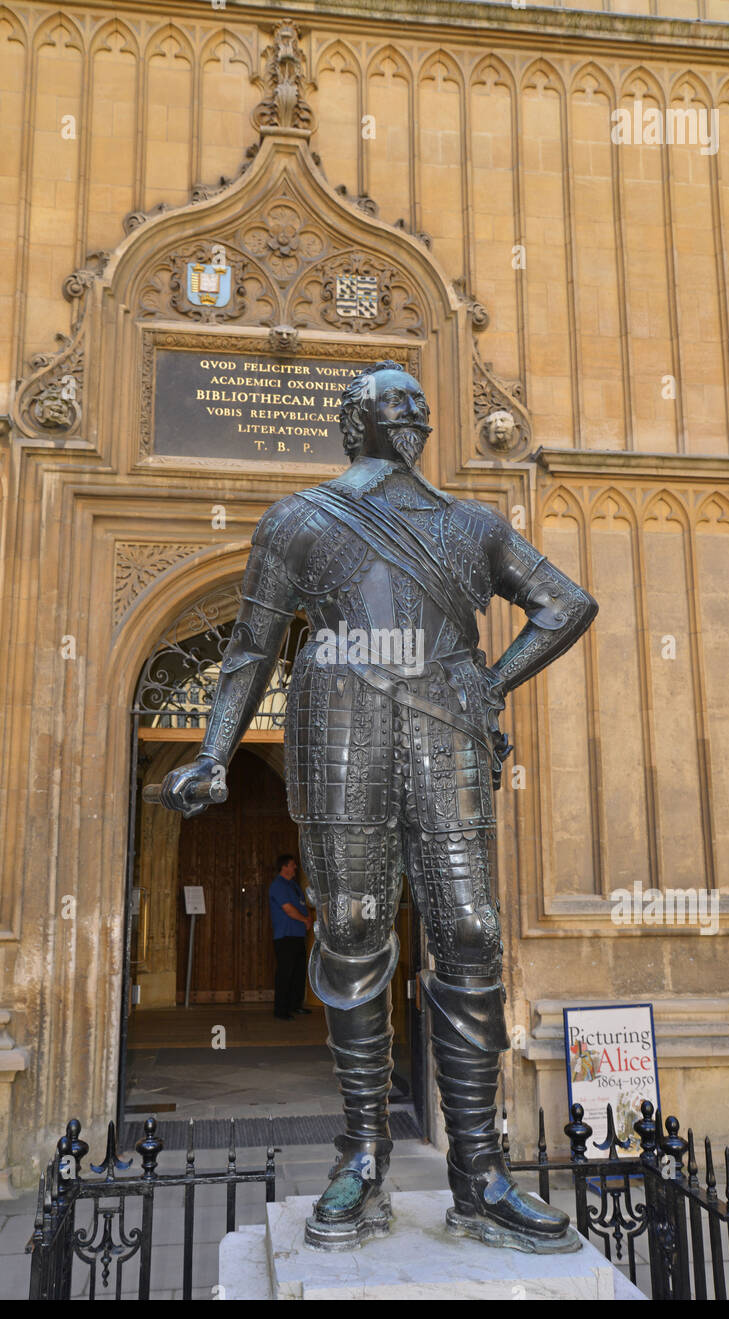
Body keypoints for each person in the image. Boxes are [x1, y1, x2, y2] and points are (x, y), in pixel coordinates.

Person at [158, 360, 597, 1252]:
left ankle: (477, 1170)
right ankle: (360, 1150)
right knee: (354, 925)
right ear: (351, 423)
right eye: (389, 405)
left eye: (415, 406)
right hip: (340, 723)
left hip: (443, 725)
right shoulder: (301, 518)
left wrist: (488, 685)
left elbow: (566, 602)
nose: (408, 418)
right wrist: (212, 755)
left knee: (470, 927)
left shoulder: (472, 524)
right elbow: (248, 647)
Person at [268, 854, 312, 1020]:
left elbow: (301, 905)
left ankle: (295, 1005)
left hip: (298, 934)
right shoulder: (277, 886)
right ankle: (280, 1010)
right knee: (285, 974)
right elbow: (288, 909)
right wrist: (304, 919)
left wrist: (308, 919)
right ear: (284, 867)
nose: (295, 867)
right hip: (285, 936)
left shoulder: (294, 885)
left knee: (298, 973)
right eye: (292, 865)